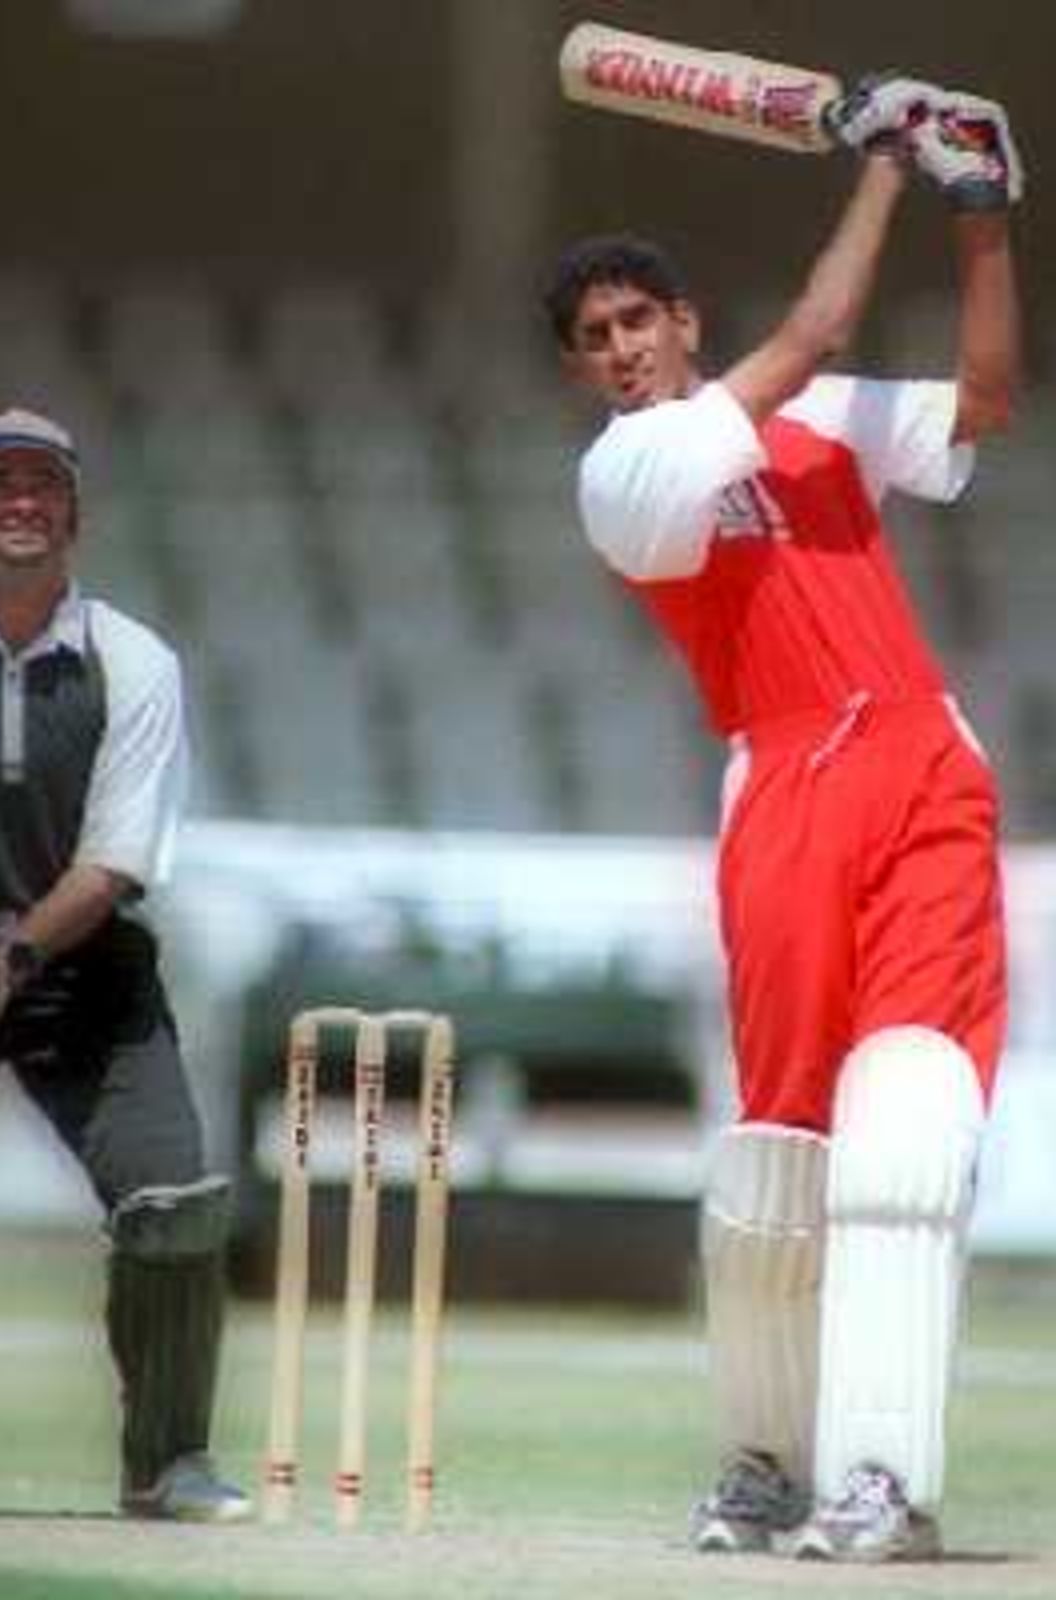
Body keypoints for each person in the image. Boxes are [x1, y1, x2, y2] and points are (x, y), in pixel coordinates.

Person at [545, 81, 1022, 1563]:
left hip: (921, 761)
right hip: (787, 783)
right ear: (587, 374)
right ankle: (764, 1458)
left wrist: (985, 212)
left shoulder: (817, 425)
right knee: (782, 1155)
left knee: (909, 1134)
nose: (624, 350)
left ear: (684, 320)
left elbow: (983, 403)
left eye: (640, 321)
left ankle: (882, 1480)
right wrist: (883, 165)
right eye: (596, 339)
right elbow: (812, 331)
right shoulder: (624, 476)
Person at [0, 407, 252, 1522]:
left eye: (41, 485)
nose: (20, 502)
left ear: (73, 512)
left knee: (171, 1201)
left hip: (80, 968)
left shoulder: (133, 659)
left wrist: (13, 949)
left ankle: (167, 1461)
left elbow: (117, 861)